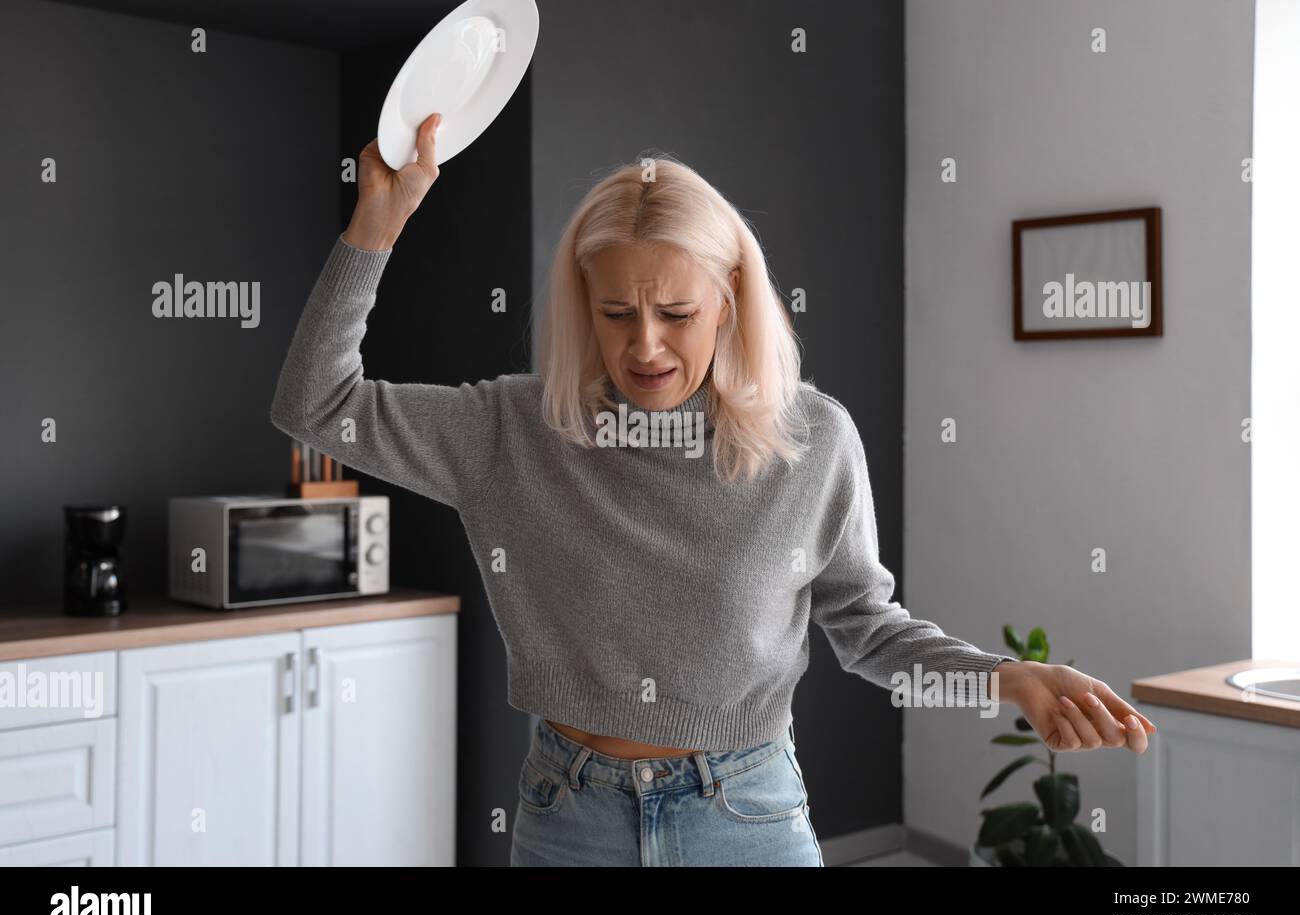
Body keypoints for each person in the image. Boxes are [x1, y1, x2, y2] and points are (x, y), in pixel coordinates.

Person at [270, 112, 1156, 867]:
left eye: (676, 313)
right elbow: (315, 404)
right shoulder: (511, 431)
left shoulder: (812, 441)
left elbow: (869, 633)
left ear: (730, 299)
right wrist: (374, 228)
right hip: (567, 815)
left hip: (746, 814)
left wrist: (1005, 680)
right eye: (615, 314)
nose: (644, 345)